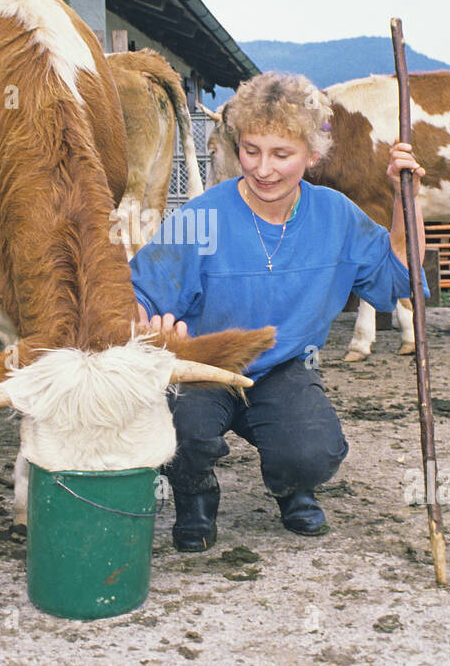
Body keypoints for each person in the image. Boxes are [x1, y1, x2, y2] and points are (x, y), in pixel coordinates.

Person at [130, 72, 427, 552]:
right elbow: (139, 291)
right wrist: (148, 324)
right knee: (174, 431)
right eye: (251, 150)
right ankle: (194, 494)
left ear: (312, 155)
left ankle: (294, 489)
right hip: (206, 364)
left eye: (281, 154)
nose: (263, 169)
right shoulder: (204, 216)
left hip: (286, 366)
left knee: (312, 452)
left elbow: (400, 275)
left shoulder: (336, 217)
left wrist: (404, 198)